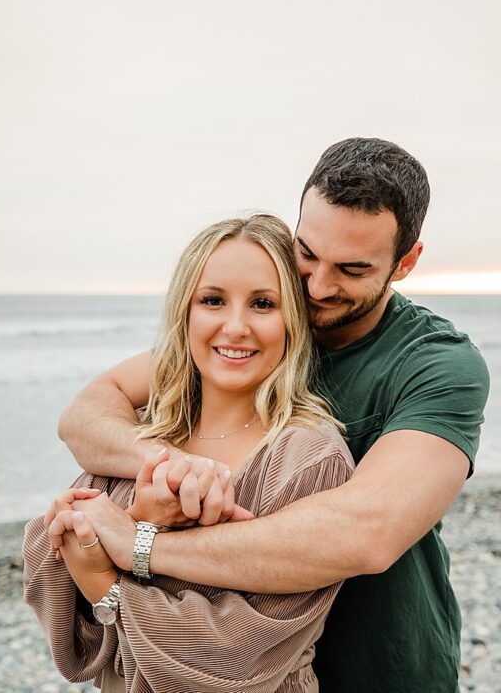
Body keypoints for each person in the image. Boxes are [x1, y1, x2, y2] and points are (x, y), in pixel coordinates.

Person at [56, 138, 490, 692]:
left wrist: (139, 548)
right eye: (306, 254)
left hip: (381, 665)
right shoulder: (269, 328)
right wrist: (172, 465)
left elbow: (367, 533)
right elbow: (86, 413)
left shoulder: (437, 364)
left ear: (405, 261)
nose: (317, 286)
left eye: (352, 269)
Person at [25, 214, 354, 691]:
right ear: (186, 311)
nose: (235, 326)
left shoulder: (308, 458)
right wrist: (118, 521)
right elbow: (57, 601)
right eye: (213, 300)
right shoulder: (146, 431)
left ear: (294, 321)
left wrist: (107, 579)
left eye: (263, 303)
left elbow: (234, 661)